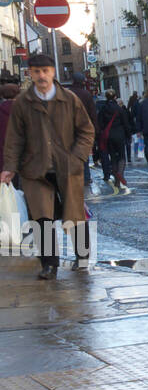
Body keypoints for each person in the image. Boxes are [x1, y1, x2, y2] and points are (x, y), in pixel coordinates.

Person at [1, 52, 95, 277]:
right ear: (30, 74)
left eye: (45, 71)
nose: (41, 76)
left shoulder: (70, 99)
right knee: (41, 217)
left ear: (53, 72)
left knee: (74, 215)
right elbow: (15, 138)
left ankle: (82, 258)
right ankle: (49, 265)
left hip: (67, 166)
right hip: (35, 169)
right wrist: (10, 167)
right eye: (36, 72)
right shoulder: (23, 102)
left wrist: (77, 157)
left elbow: (86, 130)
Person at [66, 72, 98, 190]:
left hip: (68, 129)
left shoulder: (67, 93)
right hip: (83, 129)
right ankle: (86, 177)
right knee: (83, 153)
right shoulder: (86, 94)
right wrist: (95, 130)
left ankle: (73, 177)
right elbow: (92, 113)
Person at [96, 88, 131, 186]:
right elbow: (126, 123)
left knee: (113, 157)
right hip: (119, 135)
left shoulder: (103, 109)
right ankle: (120, 173)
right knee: (121, 156)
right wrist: (128, 135)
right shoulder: (119, 109)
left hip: (108, 136)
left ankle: (117, 180)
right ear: (115, 96)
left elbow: (100, 123)